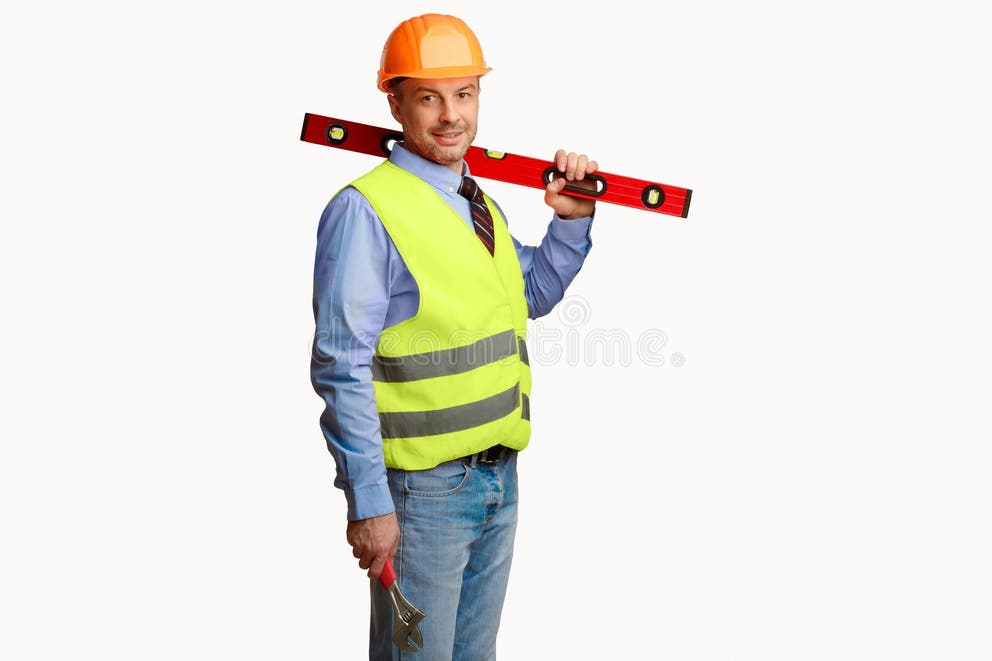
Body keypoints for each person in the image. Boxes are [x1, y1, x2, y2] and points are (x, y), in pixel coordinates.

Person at [310, 13, 598, 660]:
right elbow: (339, 364)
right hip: (423, 494)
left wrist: (572, 224)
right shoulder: (365, 209)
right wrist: (369, 501)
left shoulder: (475, 200)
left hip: (499, 478)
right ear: (395, 102)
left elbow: (529, 295)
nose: (450, 115)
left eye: (464, 94)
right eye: (429, 97)